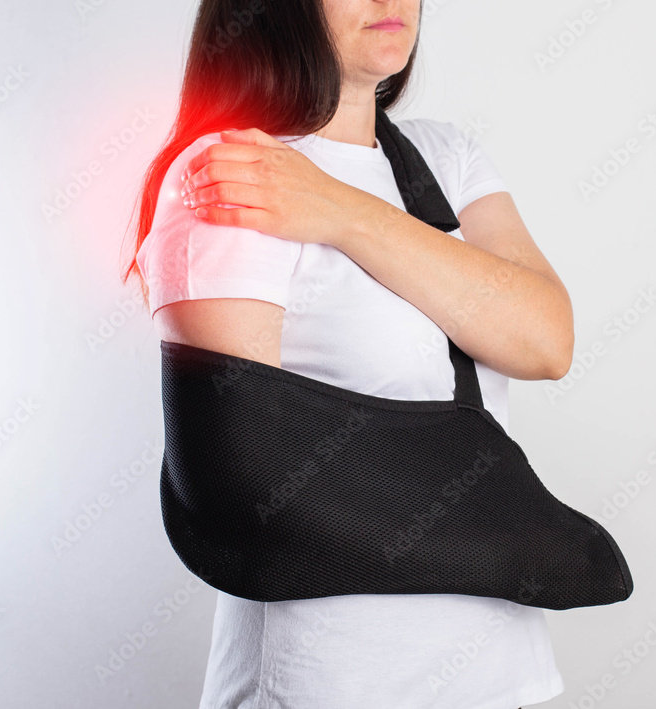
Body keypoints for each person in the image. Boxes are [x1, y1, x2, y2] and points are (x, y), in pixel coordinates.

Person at [121, 1, 574, 707]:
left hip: (507, 676)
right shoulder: (233, 173)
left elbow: (546, 341)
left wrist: (339, 209)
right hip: (326, 682)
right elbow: (245, 488)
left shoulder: (444, 160)